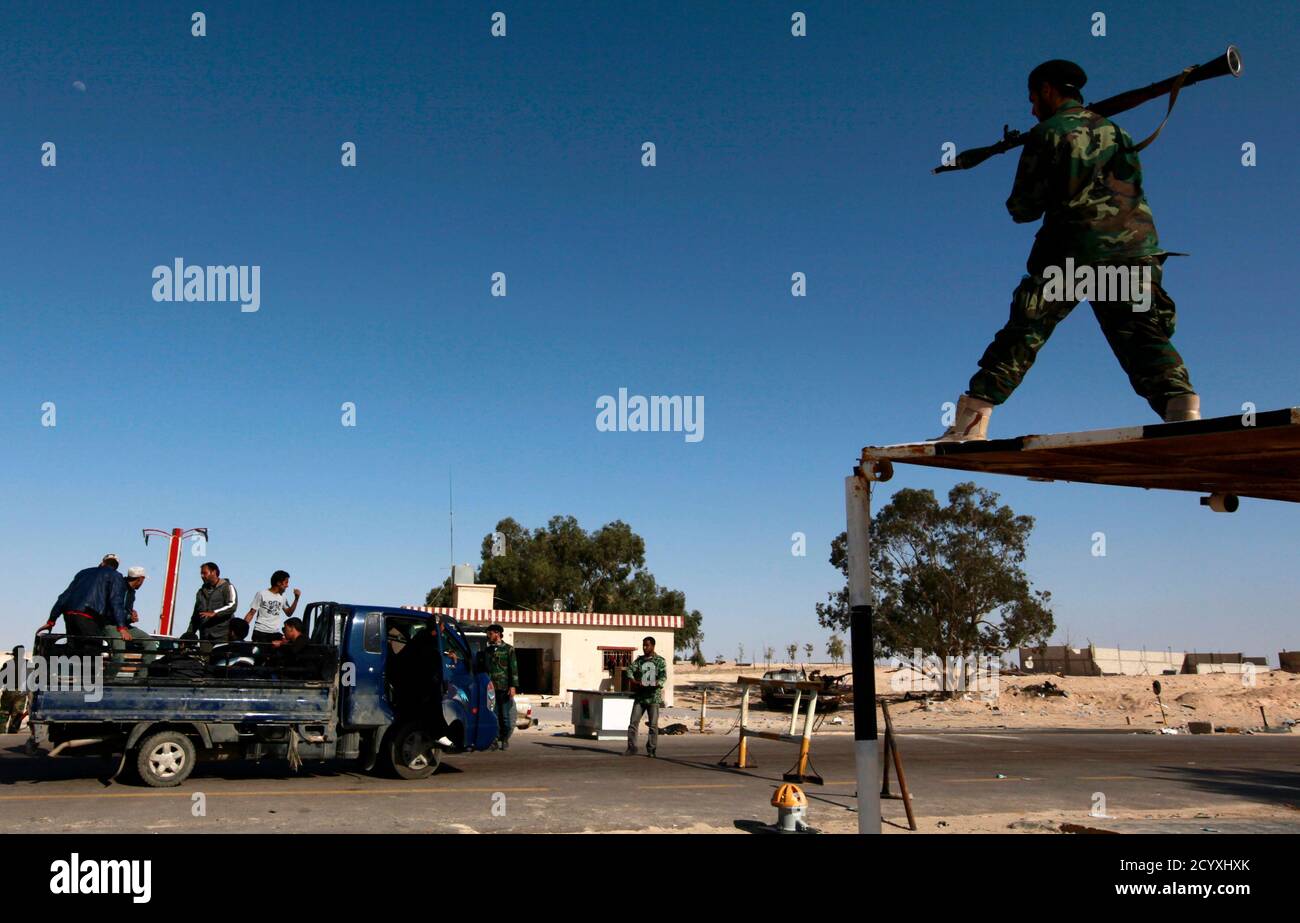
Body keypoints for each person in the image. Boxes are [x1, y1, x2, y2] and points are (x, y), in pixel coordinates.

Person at [937, 59, 1199, 442]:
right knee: (1141, 332)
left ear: (1046, 91)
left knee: (1025, 332)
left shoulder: (1049, 133)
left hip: (1073, 254)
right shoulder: (1118, 132)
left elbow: (1022, 209)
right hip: (1133, 251)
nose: (1031, 109)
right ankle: (1182, 409)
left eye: (1032, 99)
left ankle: (970, 425)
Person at [43, 554, 132, 642]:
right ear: (116, 567)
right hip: (89, 615)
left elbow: (64, 597)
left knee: (74, 650)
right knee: (92, 650)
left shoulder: (83, 573)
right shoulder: (116, 576)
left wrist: (51, 621)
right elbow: (116, 602)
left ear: (102, 563)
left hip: (69, 614)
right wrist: (122, 627)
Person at [624, 636, 667, 758]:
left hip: (653, 697)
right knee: (633, 723)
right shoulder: (639, 661)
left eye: (647, 645)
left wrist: (656, 683)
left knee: (653, 725)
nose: (644, 647)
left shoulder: (659, 661)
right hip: (640, 697)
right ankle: (631, 747)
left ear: (653, 646)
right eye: (643, 645)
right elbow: (629, 671)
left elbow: (663, 677)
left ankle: (651, 749)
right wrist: (634, 681)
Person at [484, 624, 518, 751]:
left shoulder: (508, 649)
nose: (488, 636)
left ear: (497, 634)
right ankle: (494, 739)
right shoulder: (488, 650)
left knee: (504, 716)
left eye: (490, 633)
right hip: (490, 688)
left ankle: (504, 739)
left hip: (504, 688)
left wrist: (513, 686)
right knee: (493, 715)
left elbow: (513, 669)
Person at [185, 562, 239, 642]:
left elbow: (232, 605)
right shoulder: (200, 592)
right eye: (201, 574)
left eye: (204, 573)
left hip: (222, 635)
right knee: (204, 654)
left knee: (220, 654)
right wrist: (188, 635)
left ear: (214, 572)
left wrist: (215, 613)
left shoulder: (227, 587)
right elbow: (196, 616)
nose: (202, 576)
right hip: (205, 636)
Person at [243, 570, 301, 642]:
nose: (287, 585)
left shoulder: (282, 597)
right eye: (286, 582)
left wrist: (296, 599)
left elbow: (289, 613)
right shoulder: (262, 594)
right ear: (279, 583)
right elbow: (251, 613)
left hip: (274, 632)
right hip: (260, 632)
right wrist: (242, 628)